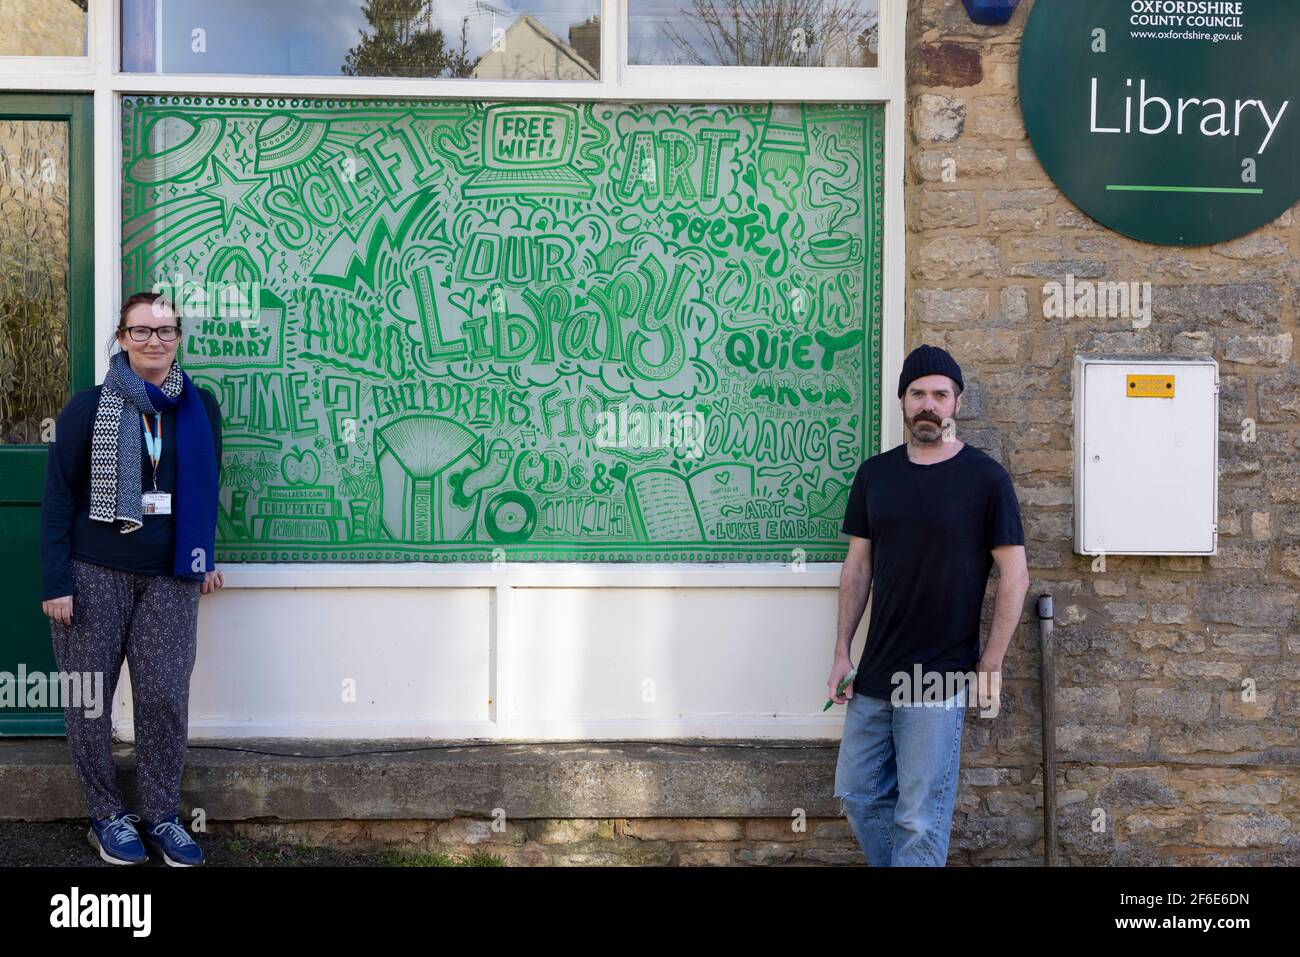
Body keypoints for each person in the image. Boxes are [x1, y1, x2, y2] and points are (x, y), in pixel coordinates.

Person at [40, 291, 224, 867]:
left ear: (177, 340)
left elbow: (207, 487)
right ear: (121, 338)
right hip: (93, 574)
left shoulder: (200, 407)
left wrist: (204, 556)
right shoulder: (87, 408)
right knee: (88, 699)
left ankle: (163, 815)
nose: (155, 342)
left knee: (165, 697)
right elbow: (58, 499)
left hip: (170, 577)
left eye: (165, 332)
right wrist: (55, 581)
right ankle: (105, 815)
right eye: (141, 331)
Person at [828, 344, 1029, 866]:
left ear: (956, 404)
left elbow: (1015, 574)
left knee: (919, 816)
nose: (928, 405)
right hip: (875, 670)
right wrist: (841, 653)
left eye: (940, 395)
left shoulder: (986, 479)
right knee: (856, 794)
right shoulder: (876, 475)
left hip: (938, 675)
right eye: (918, 394)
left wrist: (991, 662)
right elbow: (857, 569)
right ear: (902, 401)